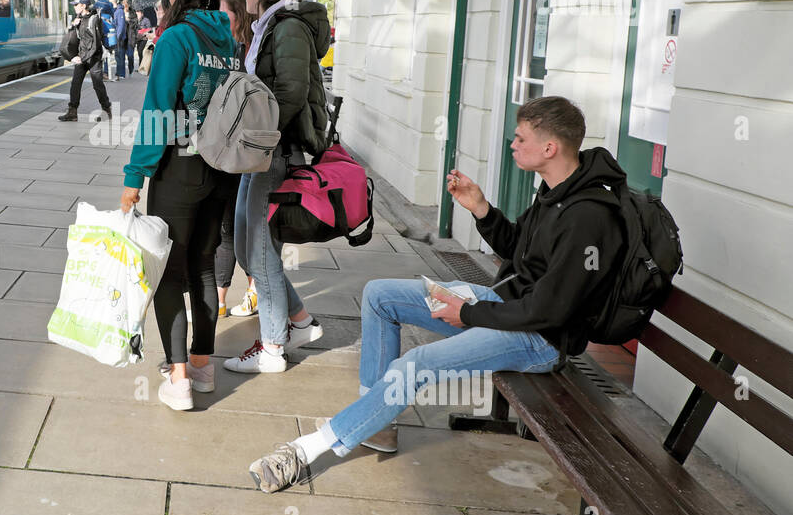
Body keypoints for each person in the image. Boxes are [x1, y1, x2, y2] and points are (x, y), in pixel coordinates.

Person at [247, 96, 628, 492]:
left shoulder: (588, 216)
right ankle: (377, 423)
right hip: (509, 308)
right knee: (379, 295)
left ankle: (308, 449)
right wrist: (482, 210)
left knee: (416, 364)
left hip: (539, 339)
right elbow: (522, 252)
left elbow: (548, 311)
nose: (512, 145)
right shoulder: (555, 190)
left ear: (549, 149)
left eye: (520, 139)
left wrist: (468, 314)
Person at [119, 0, 239, 412]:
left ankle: (179, 378)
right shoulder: (225, 39)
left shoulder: (175, 39)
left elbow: (156, 113)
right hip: (222, 169)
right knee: (204, 265)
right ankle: (202, 365)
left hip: (181, 169)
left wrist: (135, 176)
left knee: (170, 270)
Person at [225, 0, 329, 375]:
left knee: (260, 249)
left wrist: (257, 137)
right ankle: (300, 320)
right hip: (264, 151)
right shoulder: (271, 26)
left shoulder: (287, 28)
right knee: (246, 243)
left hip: (274, 152)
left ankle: (271, 347)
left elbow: (289, 92)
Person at [213, 0, 255, 318]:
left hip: (243, 151)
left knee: (238, 227)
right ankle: (224, 298)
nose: (217, 18)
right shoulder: (238, 49)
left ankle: (245, 292)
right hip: (235, 149)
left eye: (223, 13)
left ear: (238, 16)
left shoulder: (244, 52)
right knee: (232, 227)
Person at [59, 0, 112, 122]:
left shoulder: (94, 19)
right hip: (82, 56)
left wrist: (83, 57)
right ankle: (72, 112)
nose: (74, 7)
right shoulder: (79, 19)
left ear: (83, 6)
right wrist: (73, 26)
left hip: (94, 57)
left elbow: (95, 43)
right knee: (75, 84)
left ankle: (106, 110)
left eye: (76, 5)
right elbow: (75, 39)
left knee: (97, 84)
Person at [98, 0, 118, 81]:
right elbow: (113, 26)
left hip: (101, 38)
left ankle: (102, 73)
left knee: (100, 57)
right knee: (107, 56)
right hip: (109, 39)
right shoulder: (110, 16)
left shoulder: (99, 16)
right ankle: (106, 73)